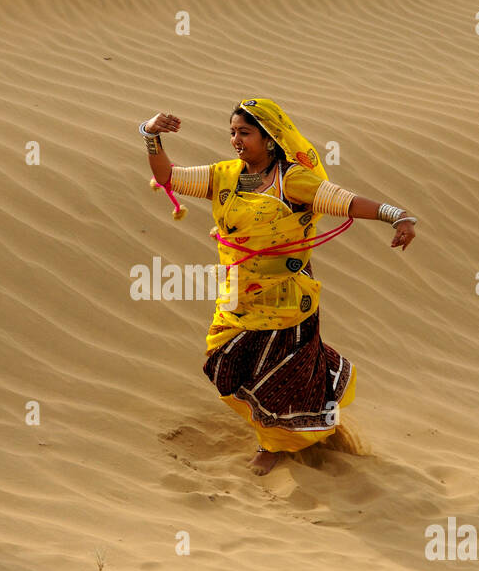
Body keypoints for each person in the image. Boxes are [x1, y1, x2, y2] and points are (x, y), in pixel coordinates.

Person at [140, 98, 417, 474]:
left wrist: (397, 216)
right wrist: (151, 135)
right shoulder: (224, 176)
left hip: (286, 300)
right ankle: (295, 433)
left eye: (246, 133)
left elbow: (347, 203)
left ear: (270, 139)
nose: (237, 140)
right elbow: (169, 177)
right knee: (222, 365)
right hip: (238, 295)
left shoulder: (293, 180)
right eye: (233, 133)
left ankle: (272, 444)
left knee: (278, 380)